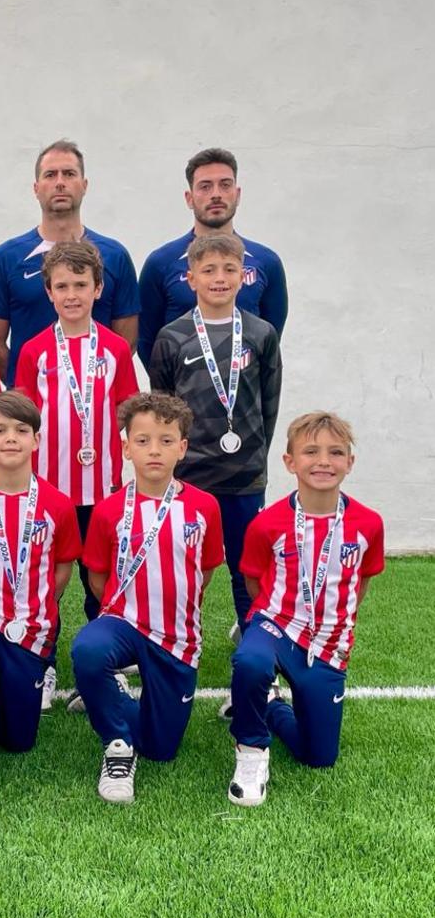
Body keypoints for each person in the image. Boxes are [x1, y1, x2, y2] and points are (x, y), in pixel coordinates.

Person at [70, 392, 223, 803]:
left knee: (160, 749)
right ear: (125, 447)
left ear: (183, 448)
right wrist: (126, 613)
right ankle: (117, 744)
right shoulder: (109, 509)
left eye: (166, 440)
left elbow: (204, 571)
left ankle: (116, 697)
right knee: (88, 649)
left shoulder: (205, 507)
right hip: (125, 623)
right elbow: (97, 580)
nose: (154, 450)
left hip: (178, 636)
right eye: (143, 440)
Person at [226, 412, 384, 807]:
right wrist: (276, 618)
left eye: (335, 452)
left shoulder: (368, 524)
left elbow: (360, 582)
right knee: (250, 658)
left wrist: (331, 626)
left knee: (318, 757)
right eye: (311, 451)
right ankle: (250, 749)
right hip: (277, 626)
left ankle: (271, 706)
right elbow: (254, 583)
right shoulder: (268, 523)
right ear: (289, 462)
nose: (323, 461)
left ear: (350, 462)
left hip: (327, 644)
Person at [14, 241, 138, 705]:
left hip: (103, 487)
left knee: (101, 579)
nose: (71, 294)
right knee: (43, 581)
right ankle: (41, 666)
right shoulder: (34, 351)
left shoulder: (115, 350)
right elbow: (23, 416)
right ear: (48, 292)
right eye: (62, 285)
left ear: (98, 288)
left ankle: (106, 669)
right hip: (47, 490)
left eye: (80, 285)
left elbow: (128, 409)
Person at [149, 233, 281, 640]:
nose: (219, 278)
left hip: (244, 477)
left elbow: (269, 405)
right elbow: (163, 409)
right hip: (190, 477)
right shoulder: (172, 337)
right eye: (208, 270)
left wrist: (255, 457)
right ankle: (177, 634)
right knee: (184, 565)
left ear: (244, 275)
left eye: (229, 269)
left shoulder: (261, 334)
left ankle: (251, 635)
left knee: (247, 566)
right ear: (191, 278)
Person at [0, 392, 81, 780]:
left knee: (19, 741)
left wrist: (35, 607)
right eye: (0, 430)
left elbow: (61, 568)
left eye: (21, 430)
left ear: (36, 441)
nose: (10, 439)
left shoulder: (57, 504)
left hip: (32, 626)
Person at [0, 139, 139, 386]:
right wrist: (26, 388)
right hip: (31, 409)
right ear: (36, 188)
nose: (60, 182)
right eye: (50, 175)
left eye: (69, 174)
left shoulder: (114, 255)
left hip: (94, 397)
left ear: (84, 185)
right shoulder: (7, 257)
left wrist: (98, 386)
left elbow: (127, 340)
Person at [138, 147, 288, 367]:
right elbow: (146, 342)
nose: (216, 194)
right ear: (189, 198)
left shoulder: (267, 262)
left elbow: (271, 341)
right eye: (205, 186)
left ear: (237, 195)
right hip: (180, 398)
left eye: (225, 185)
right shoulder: (160, 263)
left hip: (244, 396)